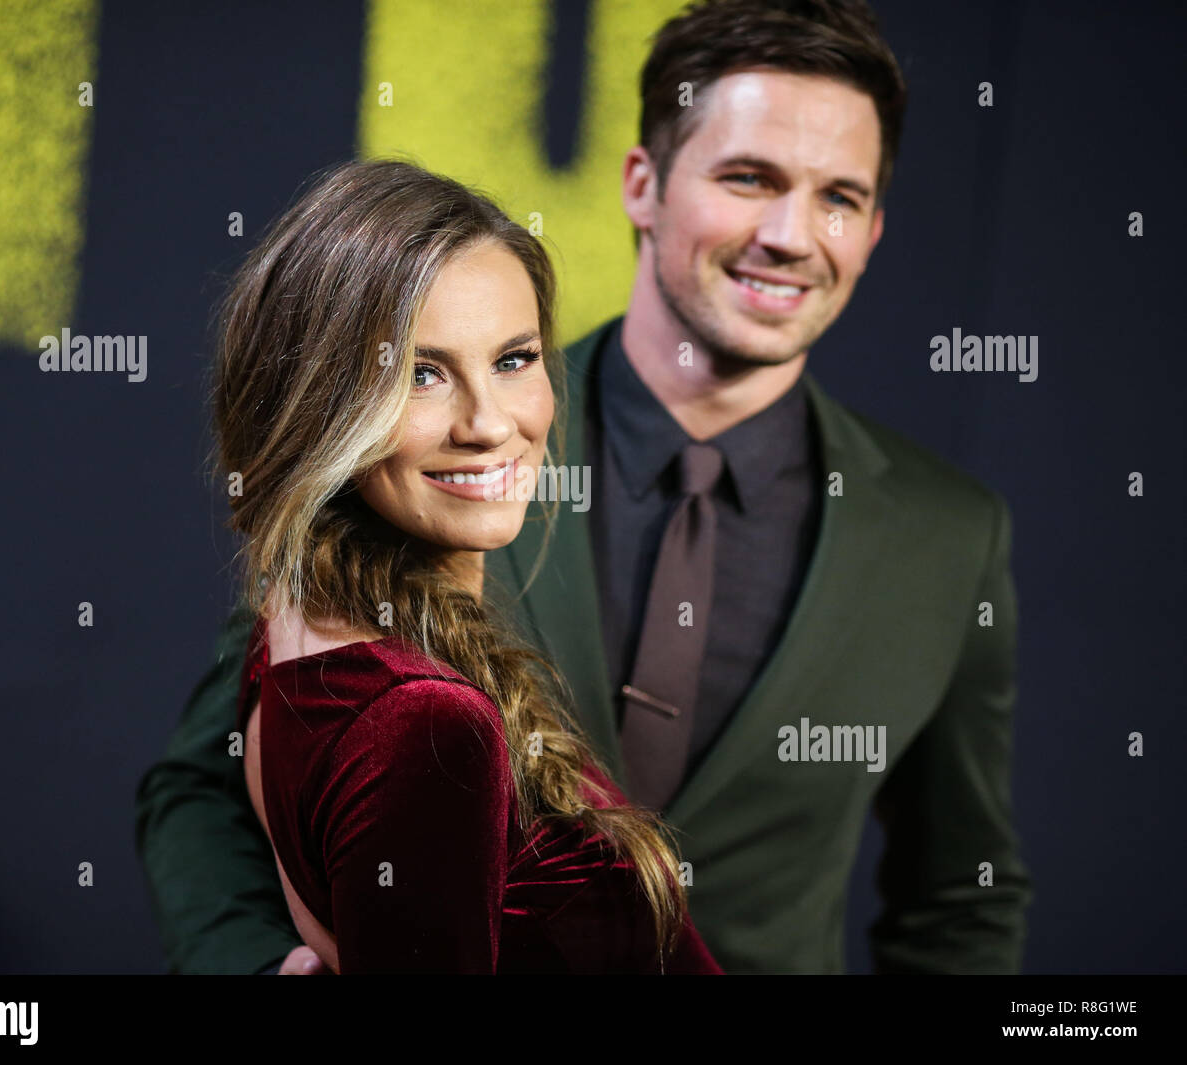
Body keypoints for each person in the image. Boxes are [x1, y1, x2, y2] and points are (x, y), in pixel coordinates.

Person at [136, 0, 1030, 974]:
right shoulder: (440, 456)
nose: (789, 234)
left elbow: (960, 899)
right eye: (747, 177)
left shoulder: (949, 536)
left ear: (871, 230)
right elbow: (204, 780)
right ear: (642, 183)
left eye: (837, 198)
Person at [195, 157, 721, 974]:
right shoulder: (426, 723)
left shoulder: (296, 632)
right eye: (421, 374)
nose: (488, 423)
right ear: (320, 407)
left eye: (514, 358)